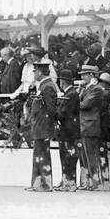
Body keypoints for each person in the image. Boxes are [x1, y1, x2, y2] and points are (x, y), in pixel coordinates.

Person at [25, 58, 58, 191]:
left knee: (43, 155)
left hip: (43, 125)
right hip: (39, 125)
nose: (34, 74)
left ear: (39, 72)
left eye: (35, 71)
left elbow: (51, 108)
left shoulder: (48, 86)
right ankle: (38, 183)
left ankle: (46, 184)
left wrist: (48, 123)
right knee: (38, 154)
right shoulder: (44, 85)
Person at [78, 64, 106, 190]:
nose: (83, 77)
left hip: (90, 125)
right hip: (85, 125)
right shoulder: (86, 88)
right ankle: (90, 181)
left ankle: (95, 181)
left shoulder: (97, 89)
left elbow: (85, 104)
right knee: (85, 156)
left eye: (85, 74)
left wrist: (75, 100)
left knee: (91, 155)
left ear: (91, 75)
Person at [55, 66, 82, 191]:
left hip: (69, 131)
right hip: (68, 130)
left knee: (68, 158)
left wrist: (54, 112)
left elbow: (63, 113)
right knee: (66, 157)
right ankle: (66, 181)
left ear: (62, 82)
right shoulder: (70, 93)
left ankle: (69, 183)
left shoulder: (71, 94)